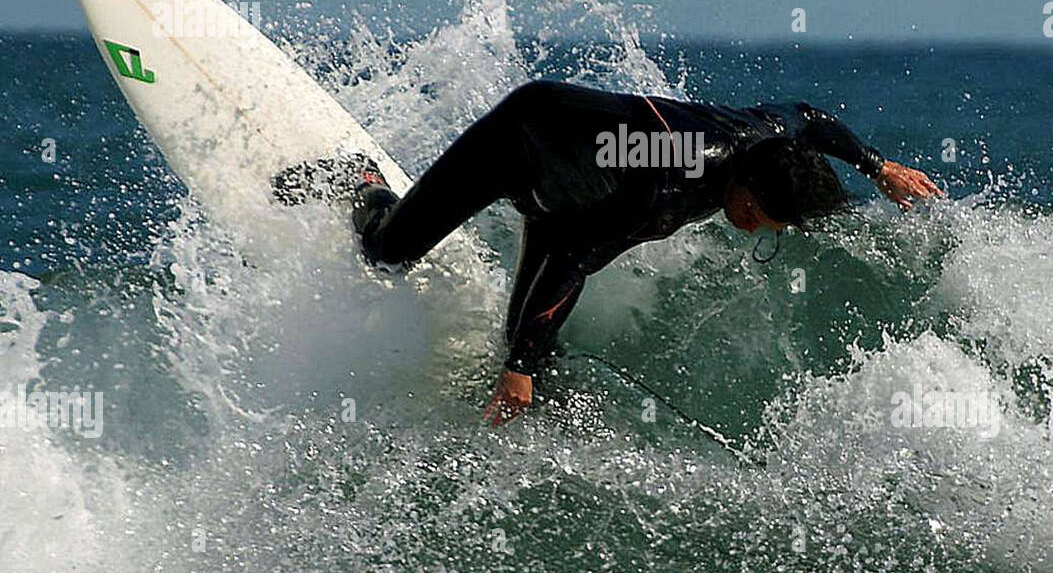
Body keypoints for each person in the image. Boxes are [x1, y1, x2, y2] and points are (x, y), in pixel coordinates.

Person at [345, 79, 942, 425]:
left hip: (573, 191)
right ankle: (359, 179)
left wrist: (877, 165)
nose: (755, 228)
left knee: (527, 349)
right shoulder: (671, 179)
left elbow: (807, 119)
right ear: (748, 186)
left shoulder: (765, 143)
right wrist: (521, 367)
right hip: (523, 140)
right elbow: (576, 255)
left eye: (769, 227)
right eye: (757, 215)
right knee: (387, 253)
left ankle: (514, 391)